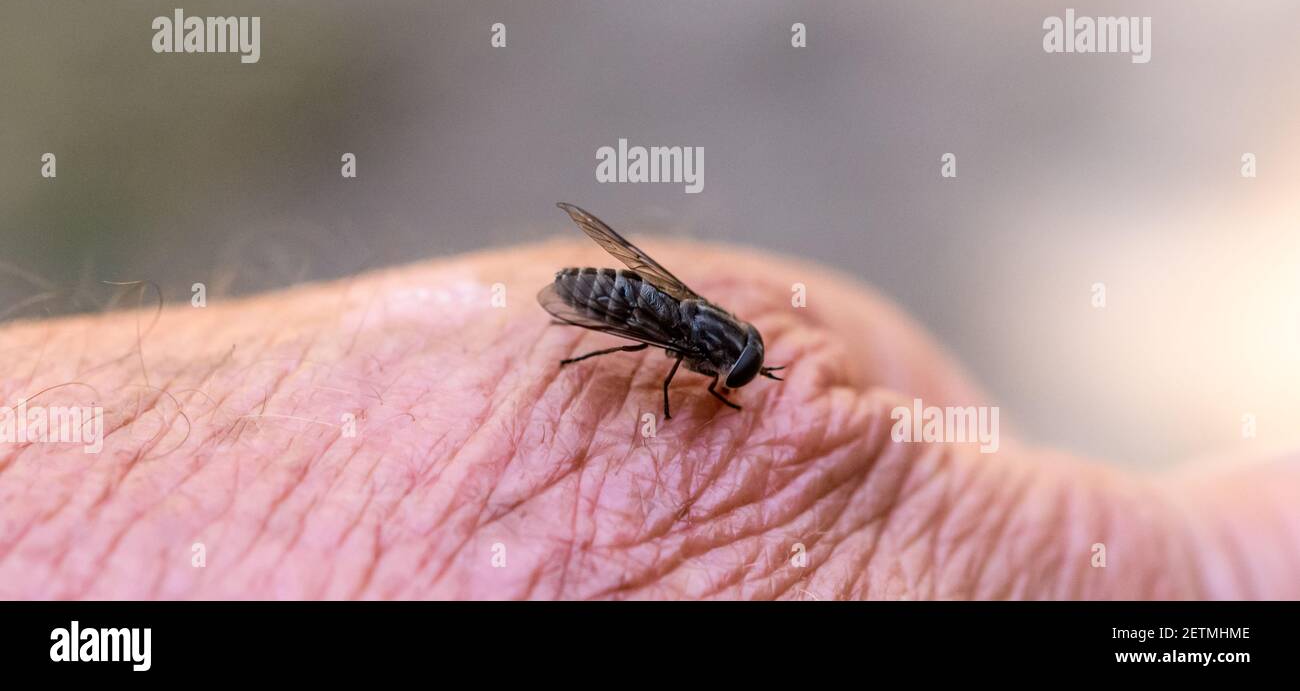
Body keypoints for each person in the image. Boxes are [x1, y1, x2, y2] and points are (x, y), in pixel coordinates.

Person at [0, 236, 1292, 599]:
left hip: (629, 293)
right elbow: (640, 329)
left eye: (734, 376)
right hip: (604, 308)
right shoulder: (682, 352)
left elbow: (665, 315)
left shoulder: (711, 347)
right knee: (616, 349)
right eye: (734, 375)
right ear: (714, 362)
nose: (738, 386)